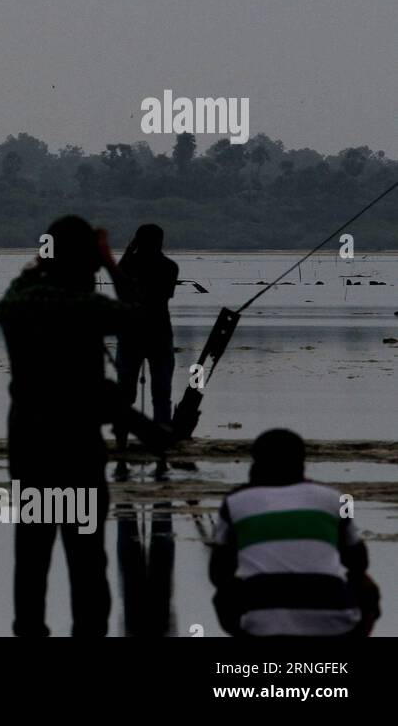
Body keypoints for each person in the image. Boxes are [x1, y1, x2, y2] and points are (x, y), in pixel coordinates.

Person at [0, 215, 156, 636]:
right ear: (85, 262)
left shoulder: (16, 305)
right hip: (79, 458)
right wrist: (110, 263)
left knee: (31, 563)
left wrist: (48, 258)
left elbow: (20, 285)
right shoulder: (86, 308)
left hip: (30, 454)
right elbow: (140, 317)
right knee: (87, 566)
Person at [210, 429, 380, 637]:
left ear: (256, 463)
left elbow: (218, 573)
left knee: (225, 591)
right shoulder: (336, 498)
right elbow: (358, 562)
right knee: (365, 585)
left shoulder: (235, 501)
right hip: (336, 623)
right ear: (302, 463)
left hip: (261, 624)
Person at [113, 224, 179, 450]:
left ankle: (122, 437)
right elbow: (164, 296)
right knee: (161, 392)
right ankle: (161, 437)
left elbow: (120, 290)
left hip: (130, 334)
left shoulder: (127, 265)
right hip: (159, 333)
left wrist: (129, 251)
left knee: (125, 391)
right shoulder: (170, 267)